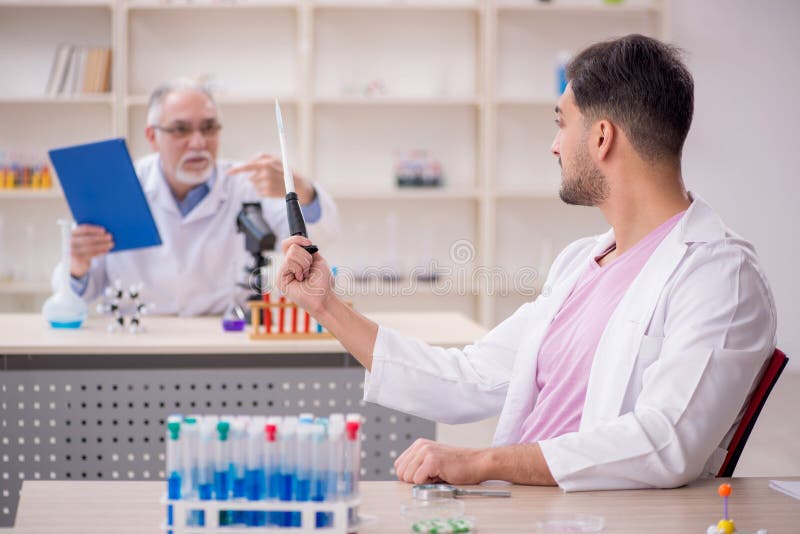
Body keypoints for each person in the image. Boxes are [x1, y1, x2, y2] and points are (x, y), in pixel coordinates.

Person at [278, 35, 777, 491]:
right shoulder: (582, 262)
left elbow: (667, 442)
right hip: (526, 508)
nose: (554, 144)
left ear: (602, 137)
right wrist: (326, 307)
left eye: (562, 123)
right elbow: (469, 378)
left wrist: (486, 463)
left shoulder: (717, 276)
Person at [57, 79, 339, 316]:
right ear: (152, 136)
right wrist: (78, 266)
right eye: (181, 129)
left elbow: (320, 236)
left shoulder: (245, 185)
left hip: (223, 339)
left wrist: (300, 188)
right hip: (138, 341)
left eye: (208, 128)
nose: (198, 142)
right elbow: (78, 295)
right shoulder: (117, 188)